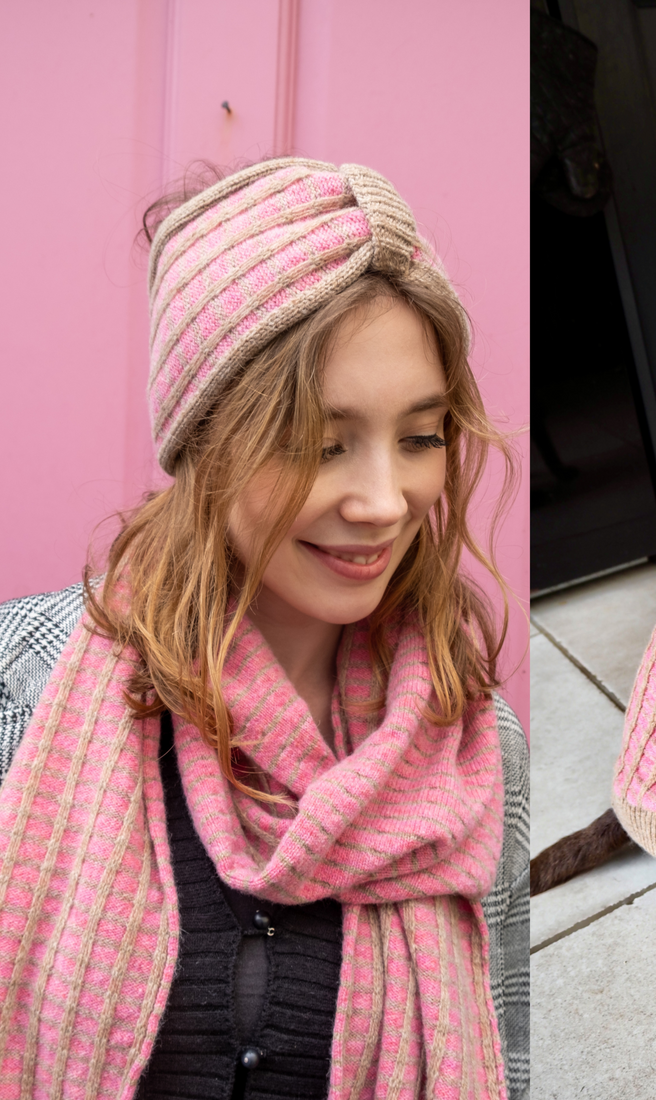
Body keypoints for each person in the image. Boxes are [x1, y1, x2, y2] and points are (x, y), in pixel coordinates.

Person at [0, 159, 529, 1100]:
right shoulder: (21, 685)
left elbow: (507, 1051)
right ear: (207, 439)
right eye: (320, 445)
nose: (382, 500)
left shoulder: (473, 746)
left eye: (419, 437)